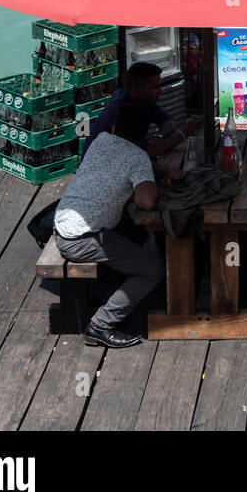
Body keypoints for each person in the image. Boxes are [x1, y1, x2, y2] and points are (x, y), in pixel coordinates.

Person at [55, 104, 184, 348]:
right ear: (145, 136)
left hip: (64, 225)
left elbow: (128, 165)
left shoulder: (102, 140)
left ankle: (117, 290)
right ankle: (100, 325)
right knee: (152, 269)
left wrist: (160, 170)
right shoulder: (138, 157)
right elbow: (147, 202)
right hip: (83, 240)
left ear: (115, 127)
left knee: (138, 234)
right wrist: (153, 177)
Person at [80, 62, 201, 159]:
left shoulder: (143, 100)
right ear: (136, 91)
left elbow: (167, 120)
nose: (160, 91)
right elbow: (146, 152)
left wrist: (159, 135)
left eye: (160, 85)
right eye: (155, 87)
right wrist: (183, 133)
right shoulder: (123, 110)